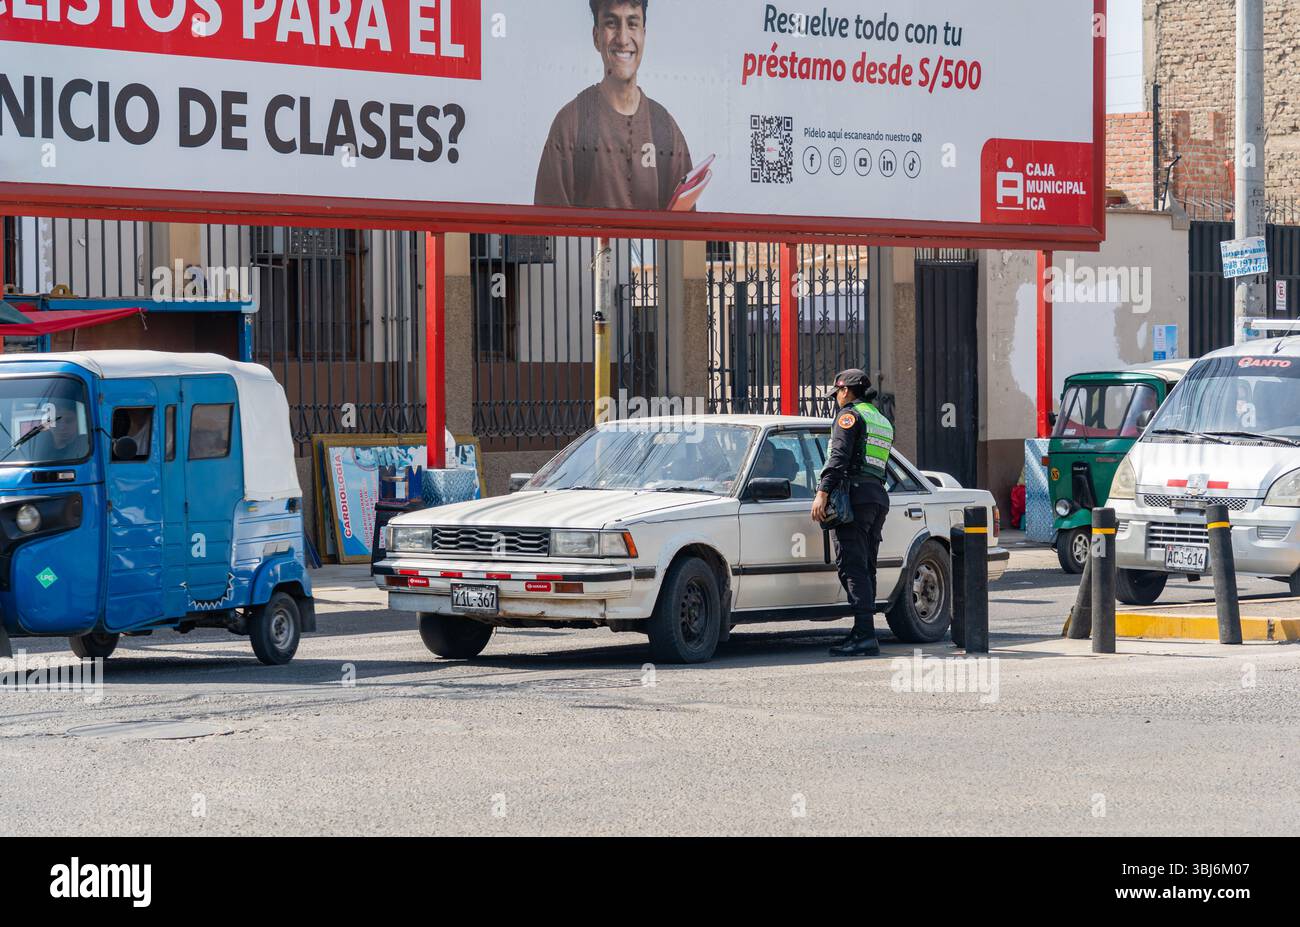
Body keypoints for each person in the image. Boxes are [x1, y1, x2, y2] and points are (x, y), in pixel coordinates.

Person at [534, 0, 693, 211]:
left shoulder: (666, 128)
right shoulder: (570, 124)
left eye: (632, 23)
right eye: (612, 23)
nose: (623, 38)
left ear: (643, 34)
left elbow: (684, 230)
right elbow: (548, 230)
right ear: (596, 37)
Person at [811, 369, 895, 657]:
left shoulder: (849, 416)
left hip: (854, 498)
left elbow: (838, 456)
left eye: (837, 393)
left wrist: (822, 492)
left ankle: (864, 635)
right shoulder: (880, 419)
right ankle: (864, 632)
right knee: (866, 565)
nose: (836, 399)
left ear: (845, 391)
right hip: (876, 497)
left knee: (852, 566)